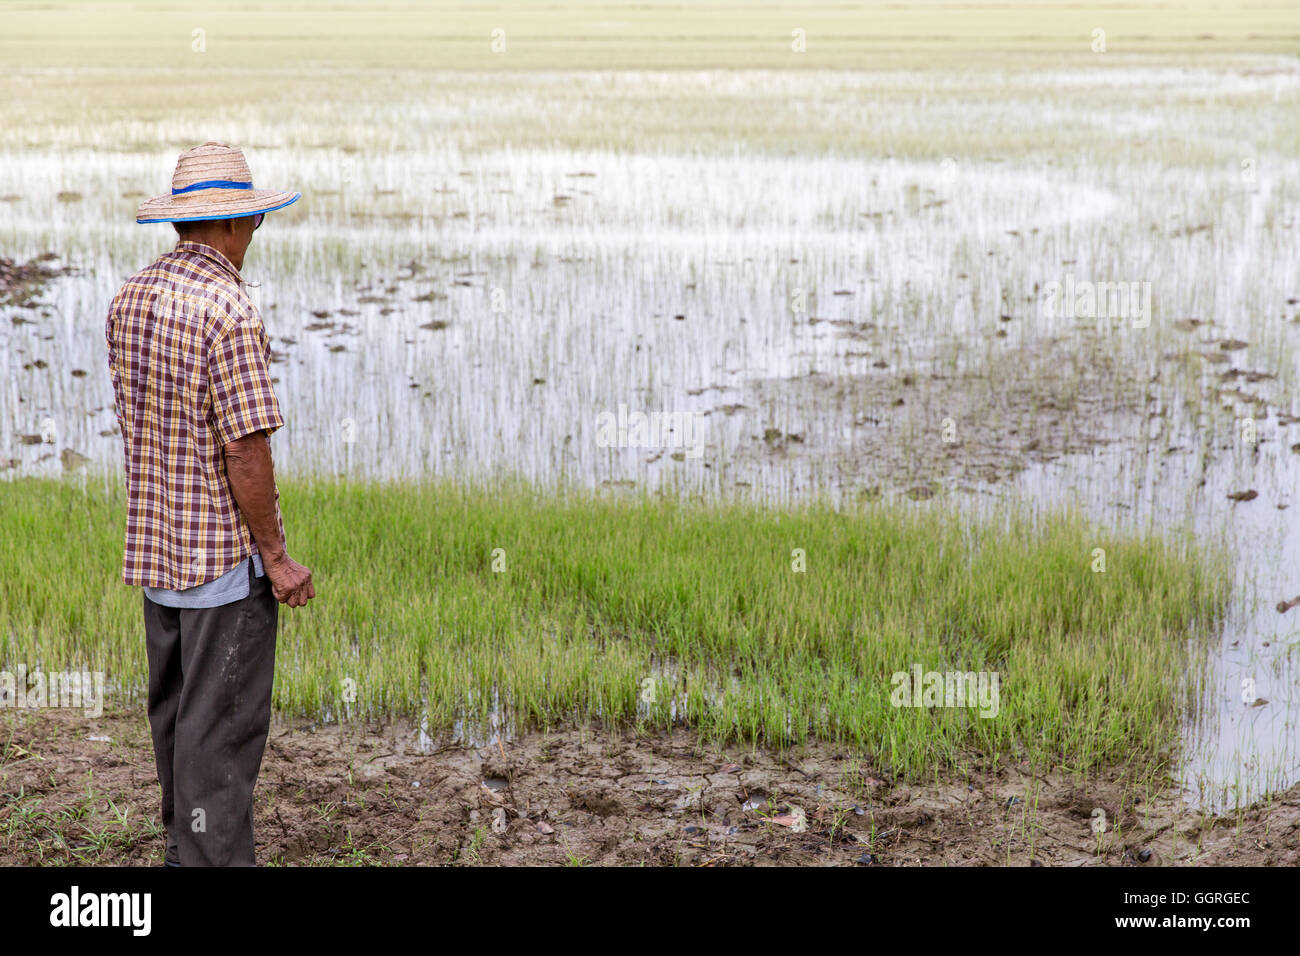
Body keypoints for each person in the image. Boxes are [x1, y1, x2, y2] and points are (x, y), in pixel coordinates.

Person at [105, 142, 315, 866]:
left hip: (158, 559)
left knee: (175, 723)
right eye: (253, 220)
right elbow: (245, 450)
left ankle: (182, 849)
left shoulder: (129, 298)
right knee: (219, 736)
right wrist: (278, 558)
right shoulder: (229, 309)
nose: (254, 233)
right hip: (223, 569)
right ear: (232, 223)